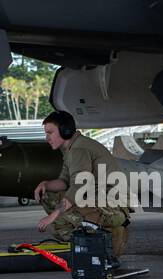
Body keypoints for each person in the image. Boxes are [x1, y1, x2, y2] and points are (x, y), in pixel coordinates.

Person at [34, 110, 131, 256]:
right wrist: (45, 185)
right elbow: (65, 181)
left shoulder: (78, 149)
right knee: (48, 195)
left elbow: (79, 186)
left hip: (113, 207)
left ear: (65, 131)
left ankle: (111, 236)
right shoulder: (71, 149)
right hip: (98, 200)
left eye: (50, 132)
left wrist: (53, 215)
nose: (47, 138)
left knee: (58, 222)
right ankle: (89, 243)